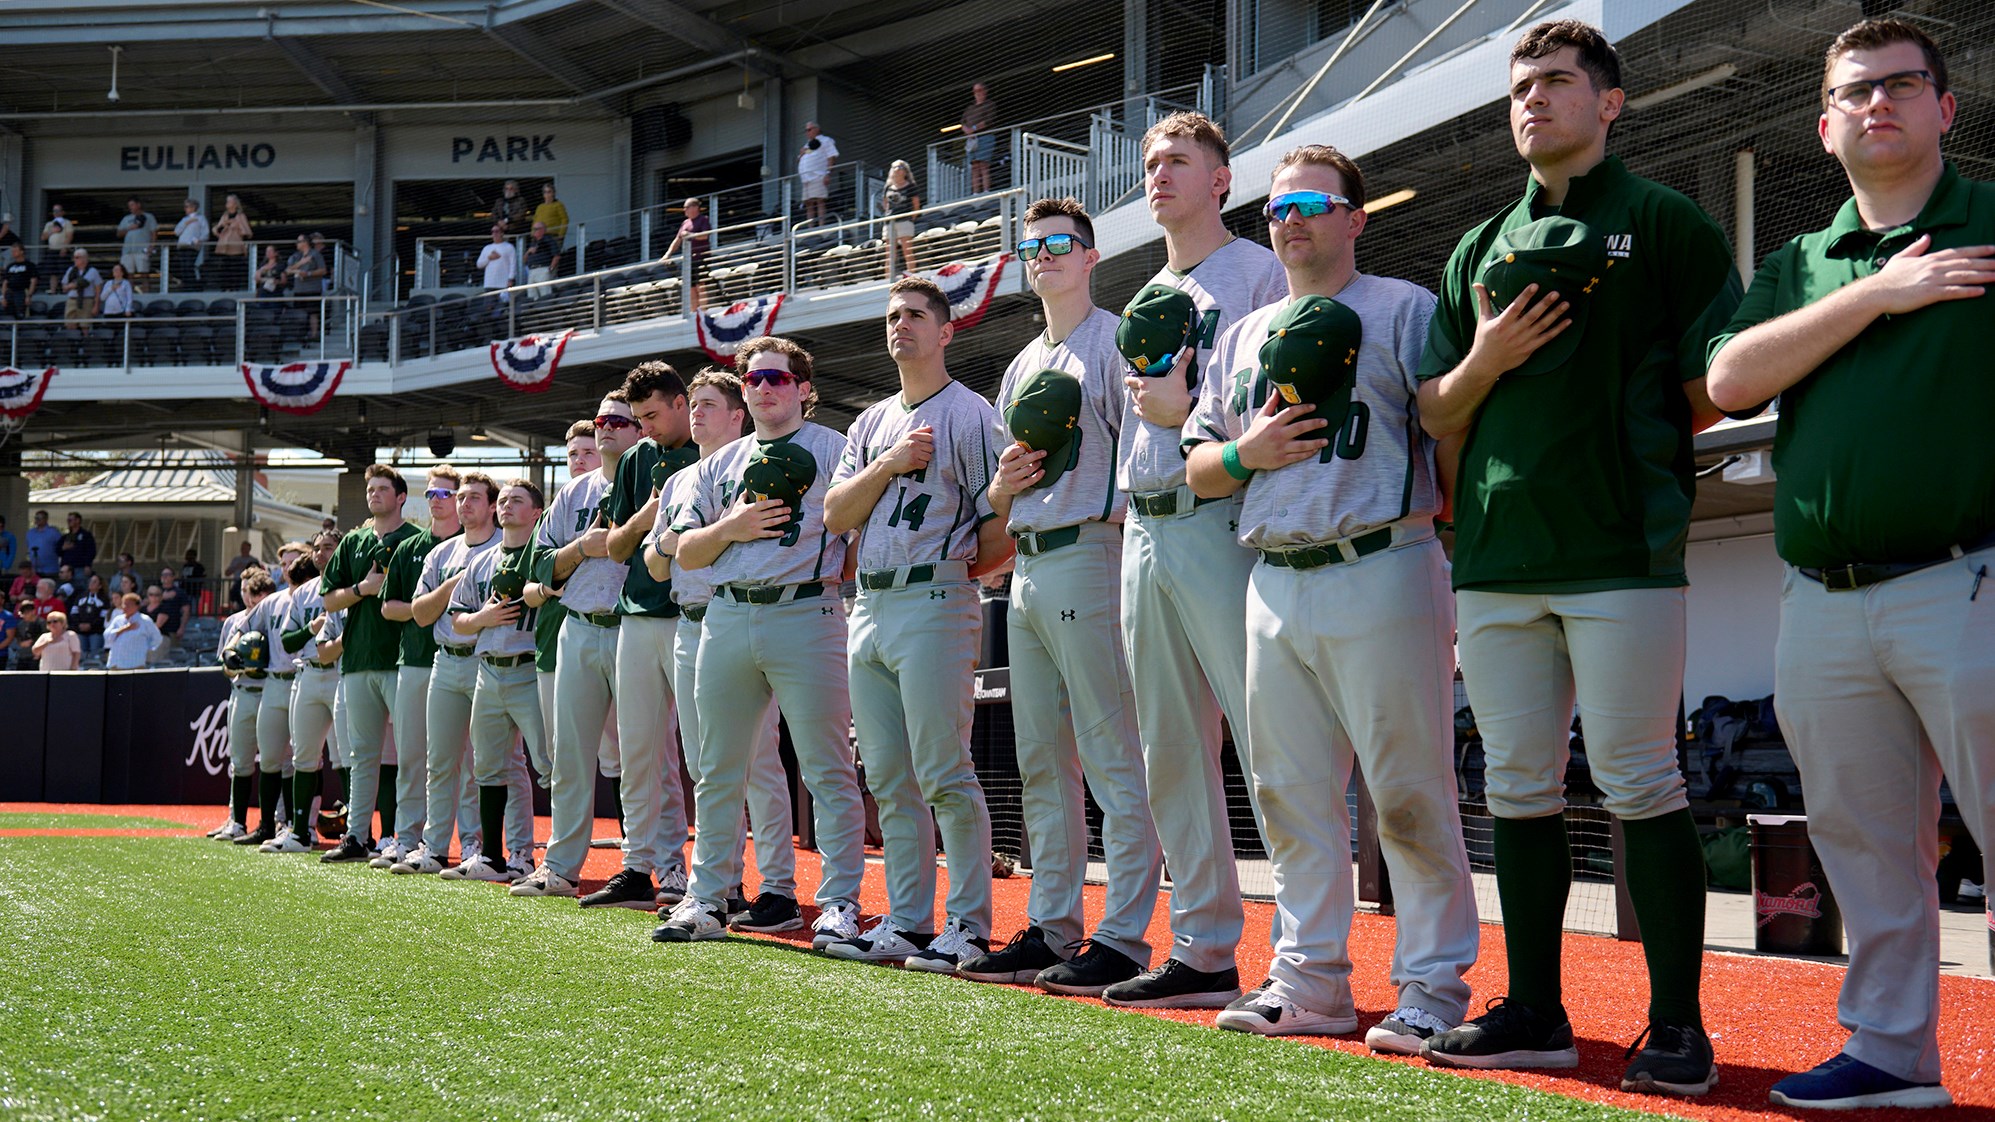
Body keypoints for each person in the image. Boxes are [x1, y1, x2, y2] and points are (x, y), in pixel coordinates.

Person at [1413, 20, 1739, 1095]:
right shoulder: (1475, 248)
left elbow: (1713, 382)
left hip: (1622, 549)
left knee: (1643, 780)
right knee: (1516, 785)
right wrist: (1489, 357)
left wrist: (1632, 449)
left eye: (1555, 81)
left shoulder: (1669, 222)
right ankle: (1537, 1011)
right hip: (1499, 551)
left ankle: (1679, 1027)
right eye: (1520, 87)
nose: (1532, 100)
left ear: (1611, 103)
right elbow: (1435, 410)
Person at [1703, 18, 1991, 1112]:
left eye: (1903, 85)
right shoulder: (1801, 262)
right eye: (1856, 91)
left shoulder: (1992, 228)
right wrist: (1874, 295)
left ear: (1945, 108)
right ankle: (1892, 1054)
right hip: (1823, 598)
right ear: (1824, 129)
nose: (1880, 103)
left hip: (1970, 577)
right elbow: (1729, 379)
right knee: (1864, 844)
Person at [1181, 144, 1480, 1047]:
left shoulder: (1405, 307)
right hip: (1272, 576)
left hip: (1383, 558)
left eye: (1313, 202)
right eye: (1277, 208)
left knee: (1409, 791)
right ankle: (1310, 982)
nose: (1292, 219)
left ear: (1356, 216)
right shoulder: (1241, 333)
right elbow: (1197, 465)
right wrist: (1245, 455)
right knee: (1288, 794)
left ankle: (1431, 986)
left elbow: (1448, 424)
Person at [1104, 110, 1289, 1008]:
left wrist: (1191, 422)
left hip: (1220, 516)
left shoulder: (1257, 270)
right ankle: (1206, 948)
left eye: (1178, 159)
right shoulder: (1144, 291)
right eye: (1149, 162)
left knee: (1268, 740)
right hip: (1143, 521)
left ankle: (1302, 956)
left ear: (1222, 179)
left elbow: (1271, 407)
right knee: (1168, 748)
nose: (1158, 173)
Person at [957, 196, 1157, 994]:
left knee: (1111, 755)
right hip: (1030, 563)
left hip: (1092, 553)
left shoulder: (1113, 344)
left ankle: (1124, 937)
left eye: (1060, 243)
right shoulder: (1019, 364)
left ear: (1090, 256)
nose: (1045, 255)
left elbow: (1138, 467)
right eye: (1033, 245)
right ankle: (1051, 926)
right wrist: (1002, 491)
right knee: (1040, 761)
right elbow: (1006, 493)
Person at [652, 335, 869, 946]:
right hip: (727, 612)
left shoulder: (836, 448)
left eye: (777, 379)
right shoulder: (720, 462)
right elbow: (685, 551)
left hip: (808, 608)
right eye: (754, 380)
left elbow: (856, 537)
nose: (765, 388)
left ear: (803, 389)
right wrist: (735, 525)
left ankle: (840, 903)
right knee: (717, 768)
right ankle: (707, 898)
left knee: (827, 768)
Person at [819, 277, 1007, 969]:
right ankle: (905, 919)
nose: (902, 325)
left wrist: (952, 578)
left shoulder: (971, 413)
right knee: (889, 779)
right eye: (893, 316)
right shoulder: (870, 424)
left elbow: (999, 530)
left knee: (943, 774)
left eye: (917, 316)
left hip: (934, 598)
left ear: (945, 330)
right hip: (867, 602)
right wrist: (890, 463)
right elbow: (835, 515)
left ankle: (968, 924)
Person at [645, 368, 794, 919]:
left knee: (757, 763)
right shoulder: (683, 479)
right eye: (696, 404)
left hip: (744, 614)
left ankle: (778, 885)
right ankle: (721, 884)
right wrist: (666, 540)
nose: (699, 413)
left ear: (739, 415)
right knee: (708, 763)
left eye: (711, 404)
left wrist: (680, 542)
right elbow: (654, 565)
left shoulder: (759, 465)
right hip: (689, 622)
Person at [576, 363, 697, 911]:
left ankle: (699, 873)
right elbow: (616, 546)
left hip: (695, 613)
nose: (644, 426)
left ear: (680, 401)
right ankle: (638, 865)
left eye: (650, 415)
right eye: (637, 417)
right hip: (638, 614)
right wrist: (649, 514)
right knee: (640, 751)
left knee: (699, 754)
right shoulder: (634, 460)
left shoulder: (710, 448)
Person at [519, 392, 640, 900]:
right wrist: (582, 548)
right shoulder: (573, 494)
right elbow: (537, 566)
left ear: (640, 431)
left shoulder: (656, 482)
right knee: (569, 756)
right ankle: (562, 865)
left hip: (635, 628)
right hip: (578, 627)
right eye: (601, 420)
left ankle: (650, 865)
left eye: (618, 420)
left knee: (642, 757)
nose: (606, 427)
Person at [393, 472, 532, 876]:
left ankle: (491, 847)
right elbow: (420, 614)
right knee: (440, 760)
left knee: (498, 762)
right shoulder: (442, 554)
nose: (464, 504)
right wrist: (456, 582)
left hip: (486, 661)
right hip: (445, 659)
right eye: (461, 497)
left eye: (474, 497)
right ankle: (436, 847)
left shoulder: (504, 547)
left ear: (492, 506)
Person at [441, 478, 545, 883]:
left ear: (536, 513)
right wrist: (484, 618)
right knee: (487, 769)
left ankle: (532, 856)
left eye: (517, 501)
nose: (505, 507)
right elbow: (458, 619)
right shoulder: (482, 561)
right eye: (502, 501)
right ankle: (492, 856)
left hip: (530, 669)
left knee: (550, 767)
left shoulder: (541, 555)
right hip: (488, 671)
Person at [318, 464, 420, 863]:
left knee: (412, 754)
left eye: (382, 489)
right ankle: (357, 836)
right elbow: (328, 600)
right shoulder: (353, 542)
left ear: (400, 497)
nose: (374, 494)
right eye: (370, 489)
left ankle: (408, 838)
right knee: (361, 755)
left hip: (402, 660)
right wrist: (363, 588)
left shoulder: (417, 539)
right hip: (357, 660)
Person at [373, 467, 466, 871]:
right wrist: (426, 608)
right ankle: (406, 838)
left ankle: (473, 844)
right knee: (412, 758)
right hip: (414, 660)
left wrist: (431, 606)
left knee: (467, 764)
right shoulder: (410, 546)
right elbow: (387, 606)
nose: (437, 500)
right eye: (431, 493)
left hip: (465, 660)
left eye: (446, 493)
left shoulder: (477, 543)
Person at [268, 535, 343, 853]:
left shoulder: (349, 585)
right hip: (309, 672)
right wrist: (312, 629)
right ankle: (300, 831)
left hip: (341, 671)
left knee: (346, 757)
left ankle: (357, 834)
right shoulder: (305, 592)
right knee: (303, 756)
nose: (321, 553)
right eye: (318, 547)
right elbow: (287, 641)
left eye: (329, 547)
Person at [235, 553, 308, 849]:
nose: (289, 567)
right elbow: (243, 629)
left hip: (304, 676)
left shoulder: (314, 595)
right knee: (269, 757)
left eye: (295, 561)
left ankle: (297, 825)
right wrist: (233, 649)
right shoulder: (273, 601)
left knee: (303, 759)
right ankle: (267, 825)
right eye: (284, 562)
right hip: (274, 681)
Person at [209, 568, 275, 841]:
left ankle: (280, 821)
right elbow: (225, 666)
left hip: (271, 689)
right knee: (240, 760)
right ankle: (236, 820)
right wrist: (233, 663)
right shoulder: (234, 621)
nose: (253, 599)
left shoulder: (276, 615)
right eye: (250, 592)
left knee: (277, 760)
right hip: (243, 689)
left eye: (260, 594)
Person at [661, 198, 713, 312]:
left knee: (701, 285)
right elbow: (677, 240)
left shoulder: (703, 220)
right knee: (691, 287)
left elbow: (705, 236)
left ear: (695, 207)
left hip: (701, 257)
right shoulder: (685, 223)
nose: (684, 210)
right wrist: (667, 254)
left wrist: (690, 235)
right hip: (689, 260)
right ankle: (695, 312)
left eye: (686, 207)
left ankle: (704, 311)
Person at [880, 161, 922, 278]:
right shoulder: (888, 187)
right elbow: (885, 204)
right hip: (890, 222)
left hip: (905, 220)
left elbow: (916, 205)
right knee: (889, 253)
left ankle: (911, 276)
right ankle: (887, 278)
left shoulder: (911, 186)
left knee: (907, 250)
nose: (897, 169)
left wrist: (910, 219)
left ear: (905, 171)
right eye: (894, 167)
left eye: (900, 167)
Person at [105, 591, 163, 670]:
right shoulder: (118, 620)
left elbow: (157, 638)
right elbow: (107, 636)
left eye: (128, 605)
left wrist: (145, 648)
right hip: (116, 664)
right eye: (123, 604)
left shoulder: (145, 620)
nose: (125, 607)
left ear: (137, 606)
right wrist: (124, 629)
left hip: (135, 664)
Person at [798, 122, 839, 225]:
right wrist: (802, 153)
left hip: (818, 175)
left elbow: (832, 157)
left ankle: (821, 225)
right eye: (806, 130)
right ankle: (810, 227)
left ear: (817, 129)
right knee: (808, 203)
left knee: (819, 200)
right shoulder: (807, 144)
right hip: (806, 178)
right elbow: (801, 159)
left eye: (809, 129)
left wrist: (828, 173)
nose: (807, 132)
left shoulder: (826, 141)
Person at [962, 82, 998, 194]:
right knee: (974, 166)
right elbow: (963, 122)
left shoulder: (990, 105)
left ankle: (986, 190)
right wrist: (967, 131)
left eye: (980, 90)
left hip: (985, 137)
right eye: (975, 91)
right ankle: (975, 193)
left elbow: (988, 120)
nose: (977, 93)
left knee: (984, 164)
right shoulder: (970, 108)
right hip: (972, 139)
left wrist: (973, 128)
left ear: (985, 91)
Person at [211, 194, 252, 291]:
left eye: (229, 201)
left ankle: (235, 288)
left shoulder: (240, 216)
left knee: (235, 269)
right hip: (224, 247)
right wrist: (224, 225)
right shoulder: (224, 216)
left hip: (236, 247)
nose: (227, 203)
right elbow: (216, 230)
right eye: (227, 201)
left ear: (235, 204)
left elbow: (247, 231)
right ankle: (225, 288)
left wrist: (236, 225)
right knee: (224, 269)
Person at [117, 197, 158, 287]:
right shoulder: (126, 218)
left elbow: (154, 232)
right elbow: (119, 233)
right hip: (128, 250)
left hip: (142, 249)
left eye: (132, 205)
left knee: (144, 273)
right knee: (128, 274)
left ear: (138, 205)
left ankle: (146, 293)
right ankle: (130, 294)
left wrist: (152, 246)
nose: (130, 207)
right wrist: (129, 228)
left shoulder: (149, 217)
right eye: (129, 206)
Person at [68, 572, 109, 656]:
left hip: (96, 633)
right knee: (80, 655)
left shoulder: (104, 599)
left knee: (95, 655)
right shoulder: (80, 597)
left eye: (94, 582)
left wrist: (91, 625)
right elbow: (74, 612)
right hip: (80, 632)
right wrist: (79, 624)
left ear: (100, 586)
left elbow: (103, 616)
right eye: (90, 581)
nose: (91, 583)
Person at [60, 249, 101, 332]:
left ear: (84, 258)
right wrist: (70, 286)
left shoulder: (93, 271)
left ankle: (85, 341)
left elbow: (98, 289)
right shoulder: (71, 270)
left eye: (77, 257)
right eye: (74, 257)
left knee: (85, 325)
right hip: (72, 299)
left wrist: (96, 305)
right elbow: (64, 284)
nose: (75, 259)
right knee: (70, 323)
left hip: (86, 300)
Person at [476, 224, 517, 300]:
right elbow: (479, 264)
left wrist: (511, 279)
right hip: (489, 283)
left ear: (502, 233)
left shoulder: (509, 247)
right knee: (489, 308)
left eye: (497, 231)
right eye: (492, 231)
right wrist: (489, 258)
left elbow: (513, 264)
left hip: (504, 284)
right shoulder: (487, 248)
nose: (494, 233)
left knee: (503, 307)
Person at [173, 199, 209, 286]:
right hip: (182, 245)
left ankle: (192, 285)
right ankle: (185, 285)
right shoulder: (184, 219)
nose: (185, 209)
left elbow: (205, 232)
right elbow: (176, 232)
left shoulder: (201, 218)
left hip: (192, 246)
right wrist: (186, 223)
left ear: (193, 207)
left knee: (189, 266)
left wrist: (200, 239)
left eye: (187, 207)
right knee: (183, 267)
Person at [3, 242, 37, 320]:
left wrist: (29, 295)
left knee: (20, 313)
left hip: (22, 292)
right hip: (10, 292)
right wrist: (3, 297)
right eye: (12, 251)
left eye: (15, 251)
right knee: (8, 314)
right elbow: (5, 282)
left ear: (22, 252)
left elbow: (33, 281)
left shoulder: (29, 265)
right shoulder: (10, 266)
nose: (13, 253)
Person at [523, 222, 562, 288]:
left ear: (542, 230)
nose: (534, 231)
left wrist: (550, 270)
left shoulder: (549, 240)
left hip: (543, 269)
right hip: (532, 270)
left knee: (544, 292)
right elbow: (524, 260)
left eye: (536, 229)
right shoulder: (533, 242)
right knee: (532, 294)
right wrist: (528, 251)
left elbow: (556, 256)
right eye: (533, 229)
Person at [225, 540, 262, 609]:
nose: (244, 550)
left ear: (249, 549)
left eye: (246, 548)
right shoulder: (236, 559)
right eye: (242, 548)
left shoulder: (253, 560)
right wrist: (236, 567)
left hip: (251, 584)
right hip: (238, 584)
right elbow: (227, 572)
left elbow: (260, 572)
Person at [11, 599, 43, 670]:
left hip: (36, 657)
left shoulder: (42, 623)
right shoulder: (20, 624)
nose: (24, 615)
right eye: (23, 613)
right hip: (22, 656)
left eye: (27, 612)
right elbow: (18, 637)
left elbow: (45, 638)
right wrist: (20, 643)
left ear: (33, 611)